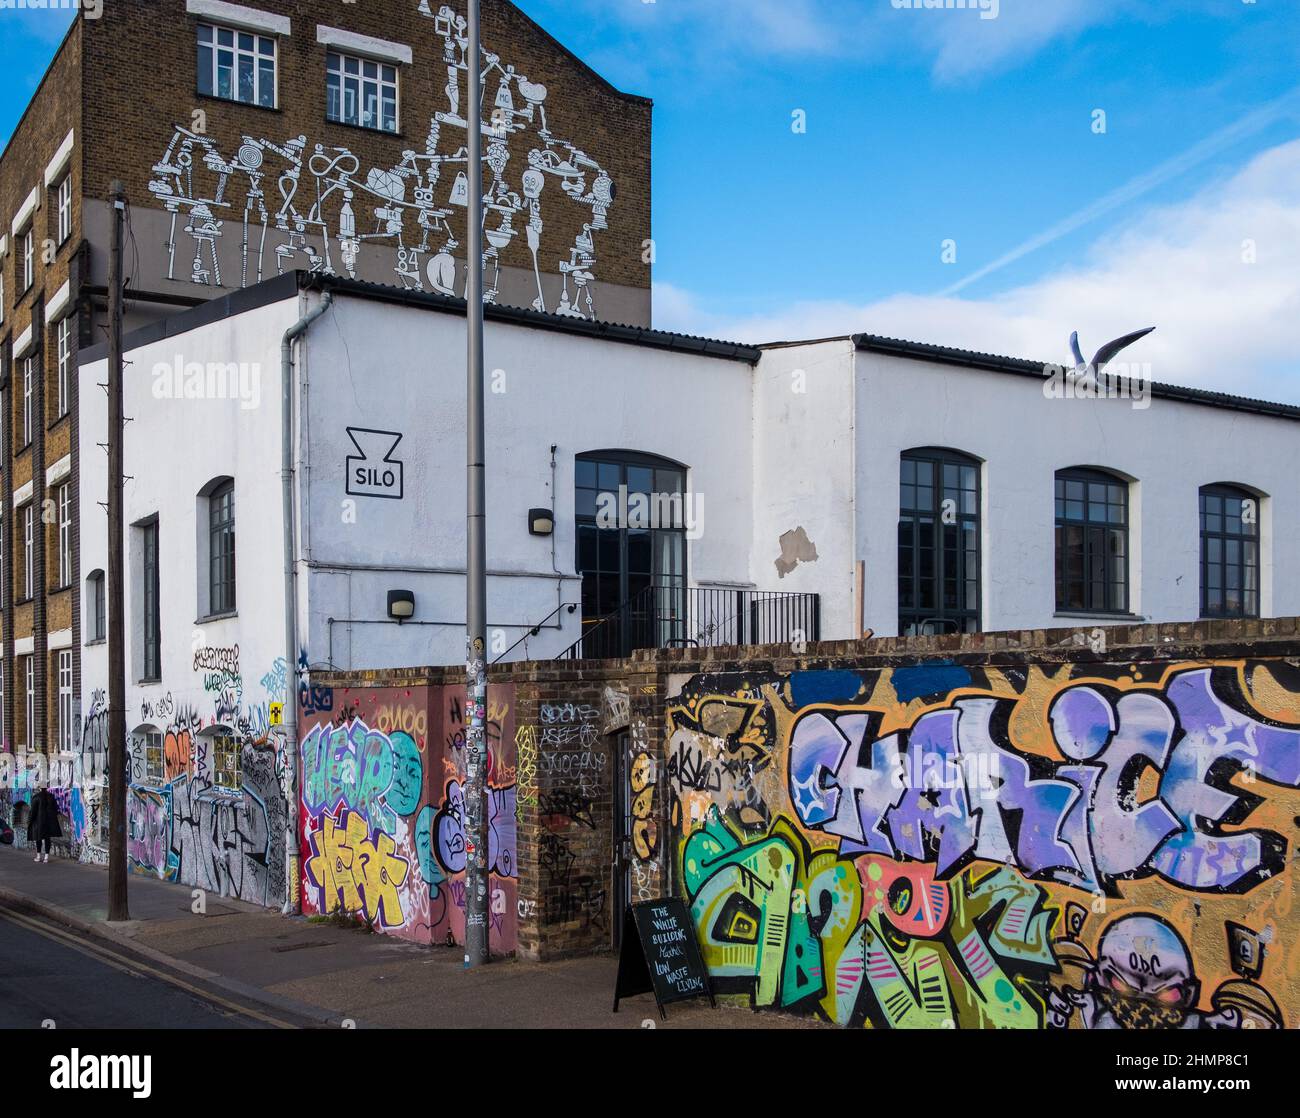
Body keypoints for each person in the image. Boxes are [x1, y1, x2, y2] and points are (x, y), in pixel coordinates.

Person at [26, 786, 62, 864]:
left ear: (39, 788)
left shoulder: (36, 797)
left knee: (38, 838)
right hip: (49, 822)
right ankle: (46, 858)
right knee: (47, 838)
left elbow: (33, 812)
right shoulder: (51, 796)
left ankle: (38, 857)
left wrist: (29, 821)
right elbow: (56, 809)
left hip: (38, 822)